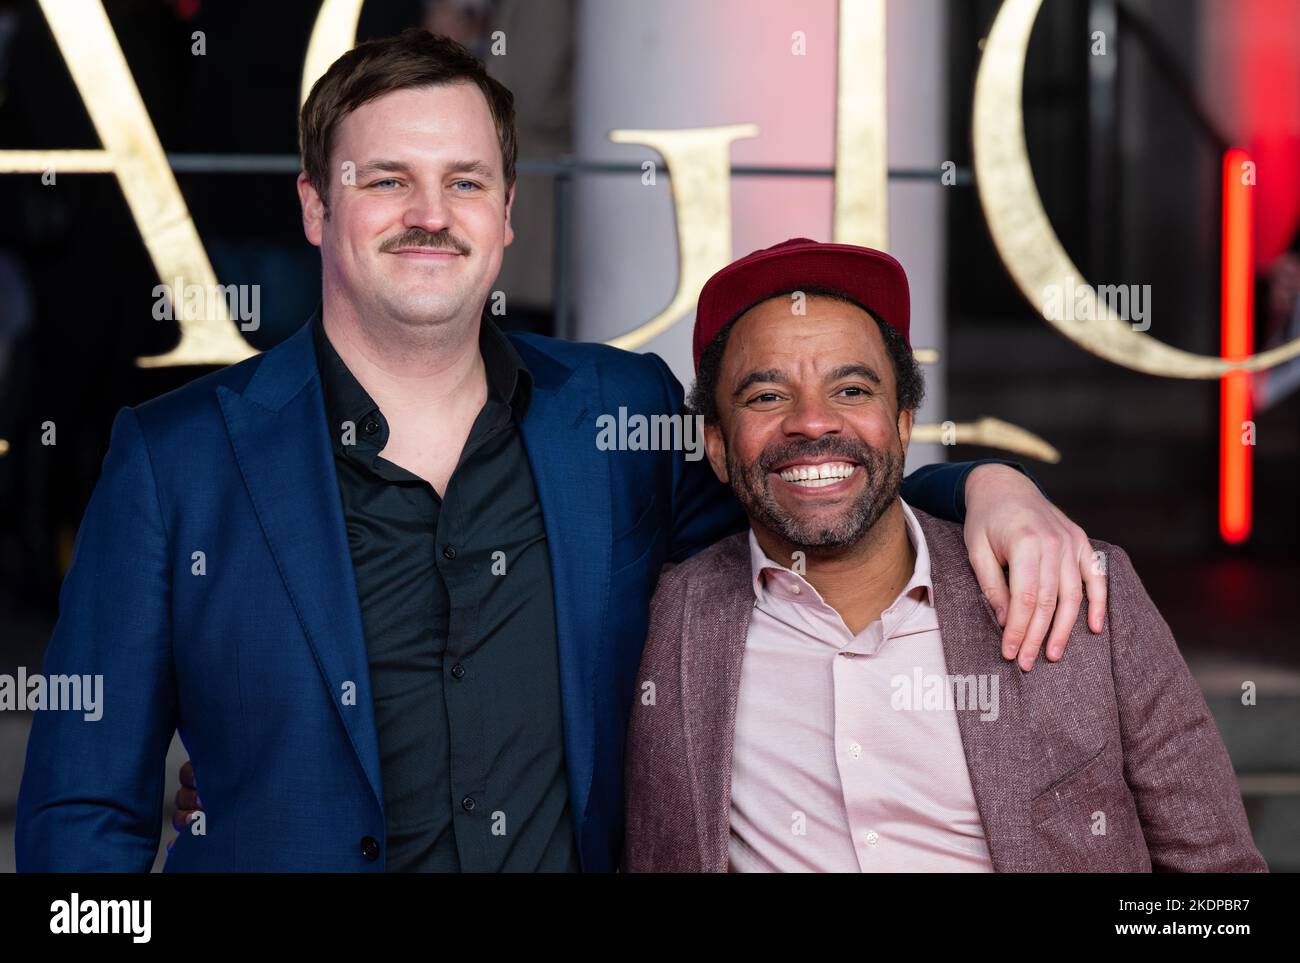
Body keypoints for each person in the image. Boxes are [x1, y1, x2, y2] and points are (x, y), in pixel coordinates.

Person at [18, 32, 1102, 873]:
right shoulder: (176, 461)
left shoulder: (610, 417)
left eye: (465, 181)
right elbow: (81, 815)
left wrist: (983, 488)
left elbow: (802, 492)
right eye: (384, 179)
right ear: (315, 206)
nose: (428, 214)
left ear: (507, 217)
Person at [623, 238, 1266, 873]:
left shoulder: (1084, 589)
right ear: (715, 443)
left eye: (851, 390)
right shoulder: (663, 621)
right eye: (767, 396)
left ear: (903, 421)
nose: (812, 422)